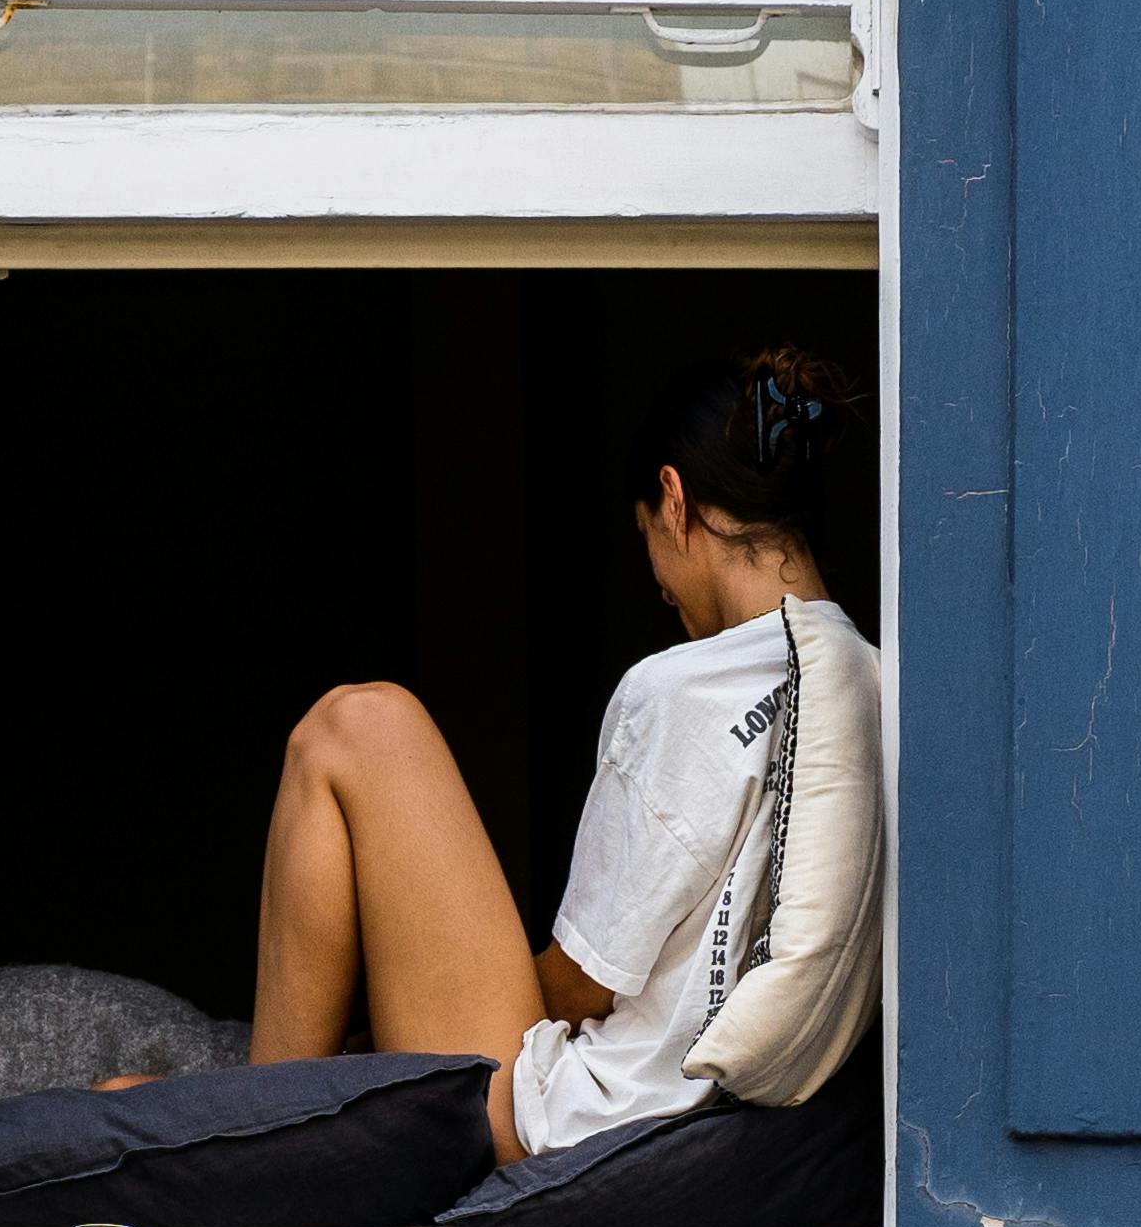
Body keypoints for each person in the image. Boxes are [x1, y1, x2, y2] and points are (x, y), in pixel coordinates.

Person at [224, 344, 873, 1169]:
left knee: (355, 725)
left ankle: (247, 1131)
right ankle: (286, 1102)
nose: (659, 586)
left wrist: (379, 1039)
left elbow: (578, 985)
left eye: (646, 538)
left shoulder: (686, 689)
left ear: (673, 501)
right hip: (695, 1112)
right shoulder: (867, 679)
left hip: (571, 1117)